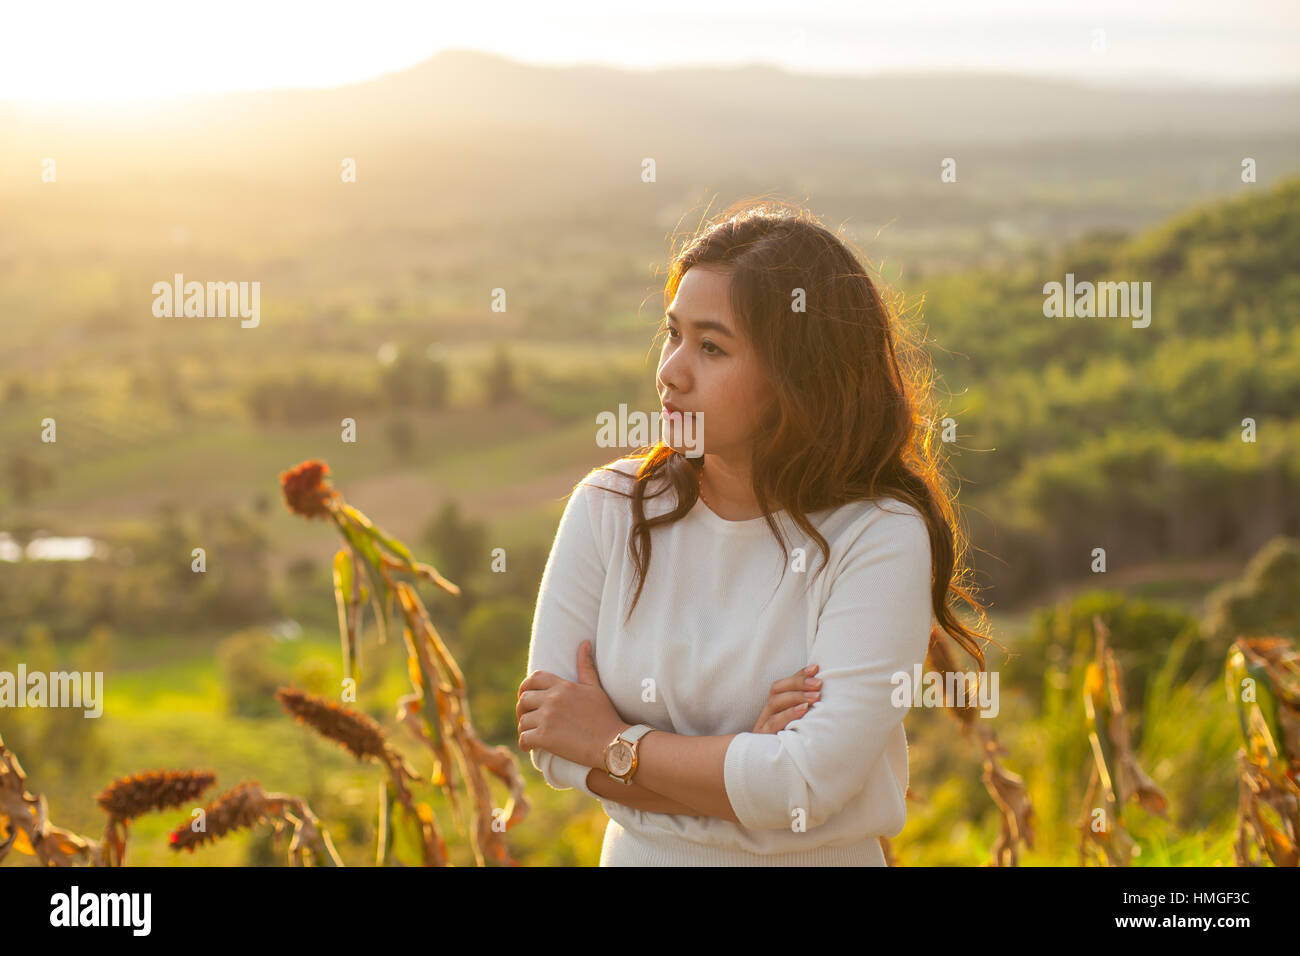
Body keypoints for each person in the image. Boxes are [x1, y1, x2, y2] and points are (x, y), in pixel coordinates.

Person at [517, 200, 996, 865]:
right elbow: (549, 739)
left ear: (801, 379)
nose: (671, 372)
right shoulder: (608, 509)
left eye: (711, 347)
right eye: (673, 333)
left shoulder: (878, 536)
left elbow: (804, 782)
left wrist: (612, 744)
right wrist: (748, 767)